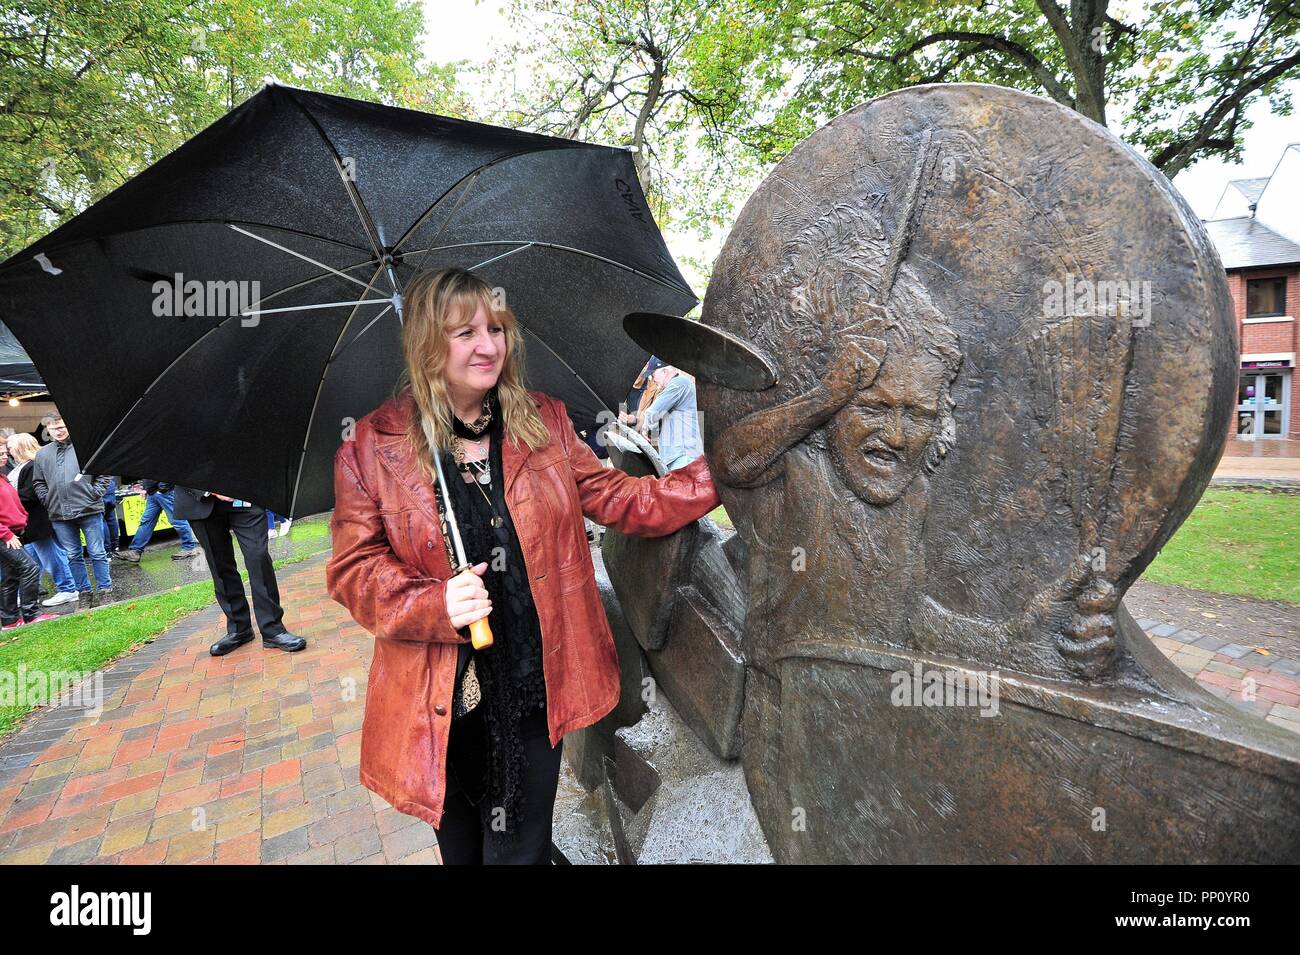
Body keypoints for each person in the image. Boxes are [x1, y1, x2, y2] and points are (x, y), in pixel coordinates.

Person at [326, 267, 720, 865]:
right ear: (427, 345)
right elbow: (353, 571)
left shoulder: (545, 422)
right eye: (464, 333)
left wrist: (721, 472)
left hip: (536, 683)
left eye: (496, 328)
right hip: (437, 703)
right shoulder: (370, 448)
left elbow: (624, 499)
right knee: (462, 850)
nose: (488, 345)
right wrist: (435, 605)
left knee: (515, 850)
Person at [172, 487, 305, 656]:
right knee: (219, 565)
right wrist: (210, 490)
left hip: (246, 497)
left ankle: (273, 629)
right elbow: (174, 463)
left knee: (258, 558)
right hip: (200, 501)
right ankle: (239, 629)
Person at [31, 411, 113, 599]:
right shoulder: (43, 454)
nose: (58, 431)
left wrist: (94, 493)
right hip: (59, 514)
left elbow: (104, 471)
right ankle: (84, 592)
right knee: (72, 555)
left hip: (89, 509)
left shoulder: (86, 447)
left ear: (68, 425)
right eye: (53, 429)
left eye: (61, 427)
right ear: (48, 430)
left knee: (97, 552)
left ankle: (105, 589)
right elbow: (38, 482)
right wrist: (47, 499)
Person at [6, 433, 77, 607]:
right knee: (33, 559)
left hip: (37, 521)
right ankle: (30, 592)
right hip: (30, 523)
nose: (8, 451)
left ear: (20, 447)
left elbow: (30, 494)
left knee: (50, 555)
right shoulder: (24, 466)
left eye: (10, 447)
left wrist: (10, 501)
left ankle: (68, 588)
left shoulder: (31, 465)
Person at [0, 466, 57, 628]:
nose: (4, 457)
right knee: (30, 568)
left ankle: (9, 620)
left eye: (4, 452)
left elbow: (12, 502)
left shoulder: (3, 478)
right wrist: (6, 534)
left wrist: (21, 518)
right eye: (0, 453)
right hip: (5, 535)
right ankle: (31, 614)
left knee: (10, 576)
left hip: (12, 532)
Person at [635, 365, 704, 470]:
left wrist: (646, 428)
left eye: (653, 375)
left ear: (665, 371)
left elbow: (652, 413)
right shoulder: (680, 385)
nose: (652, 380)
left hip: (683, 457)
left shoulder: (678, 383)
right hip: (681, 456)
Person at [119, 480, 200, 562]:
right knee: (147, 522)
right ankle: (135, 551)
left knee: (177, 520)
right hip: (155, 492)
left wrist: (163, 488)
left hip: (163, 492)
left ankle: (189, 548)